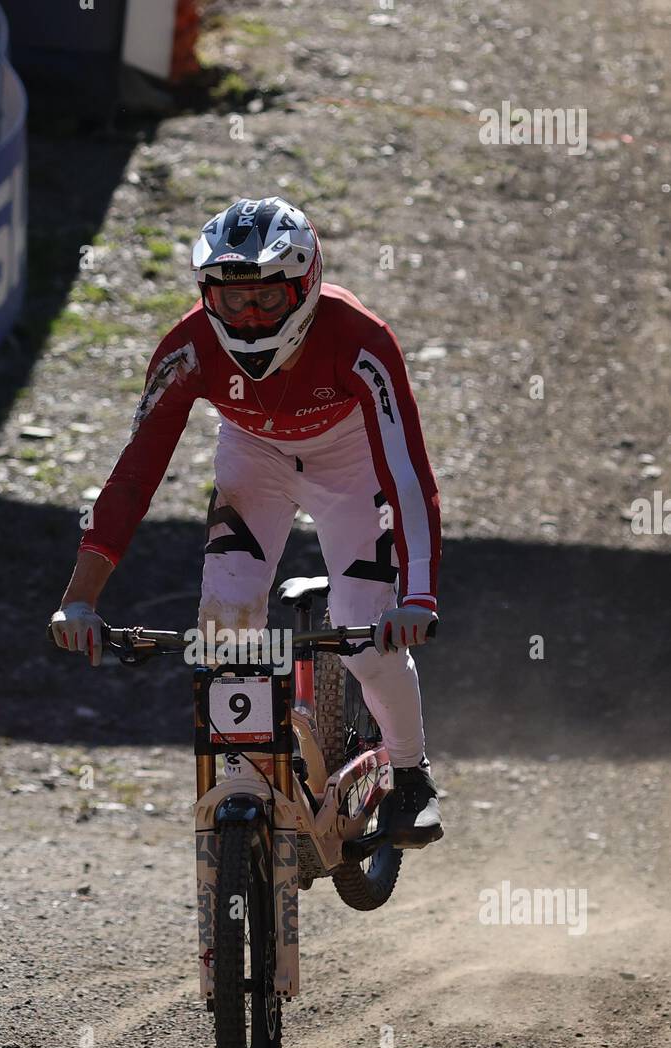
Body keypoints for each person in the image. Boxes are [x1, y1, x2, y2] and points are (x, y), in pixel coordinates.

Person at [50, 197, 443, 847]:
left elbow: (408, 476)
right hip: (252, 456)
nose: (251, 317)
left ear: (307, 287)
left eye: (267, 299)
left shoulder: (361, 339)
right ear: (209, 297)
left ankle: (411, 774)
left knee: (370, 643)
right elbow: (134, 475)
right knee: (224, 623)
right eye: (234, 303)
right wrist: (79, 601)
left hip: (350, 464)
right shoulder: (188, 348)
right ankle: (244, 774)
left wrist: (420, 596)